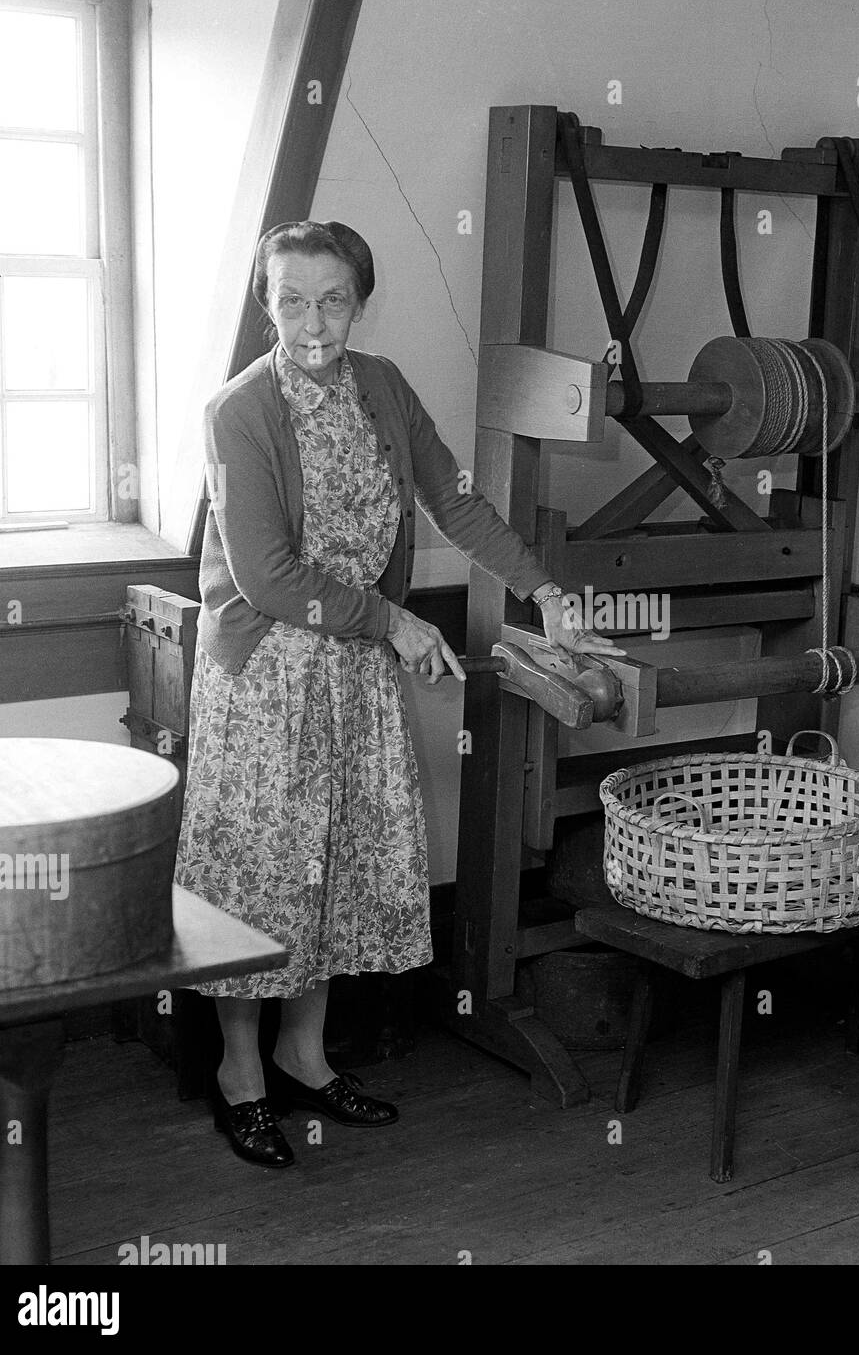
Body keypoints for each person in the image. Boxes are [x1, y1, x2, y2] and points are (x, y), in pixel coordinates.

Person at [174, 219, 622, 1167]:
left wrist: (545, 592)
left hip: (355, 672)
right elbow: (264, 574)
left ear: (361, 301)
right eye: (291, 299)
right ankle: (241, 1072)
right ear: (267, 305)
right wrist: (399, 623)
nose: (314, 320)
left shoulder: (381, 387)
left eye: (334, 298)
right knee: (262, 880)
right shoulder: (239, 411)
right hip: (270, 682)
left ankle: (305, 1054)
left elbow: (453, 499)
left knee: (333, 869)